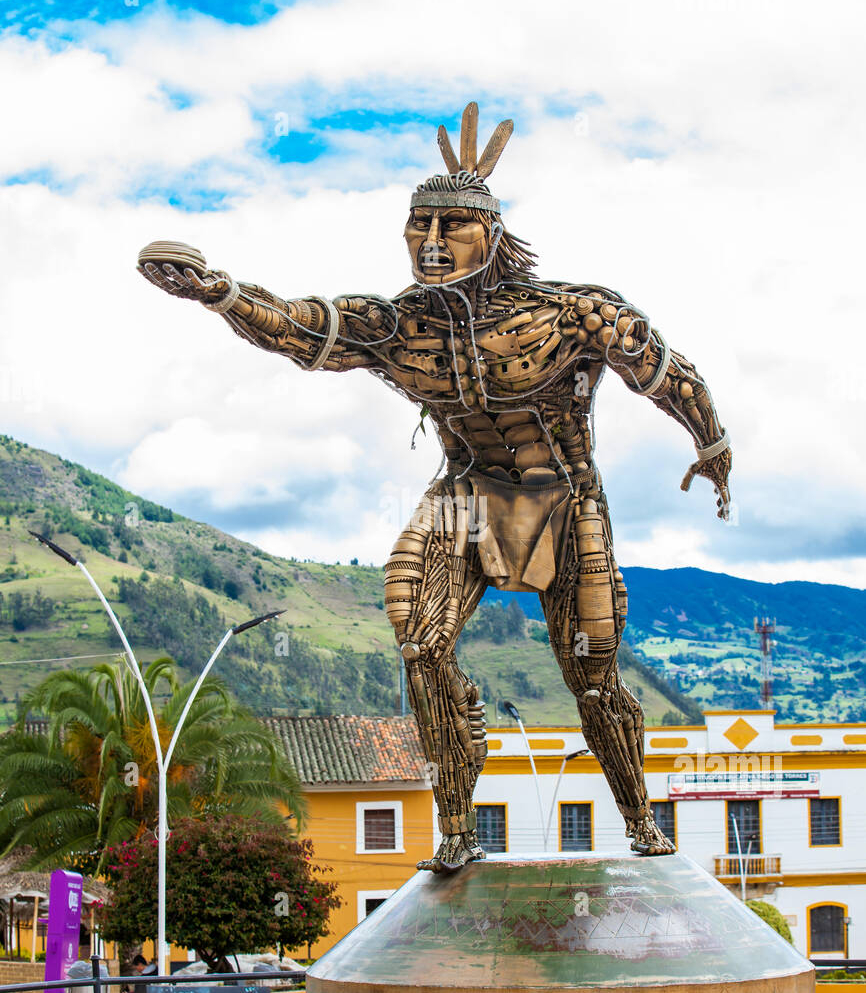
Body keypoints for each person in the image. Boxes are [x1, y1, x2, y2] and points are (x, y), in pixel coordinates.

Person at [139, 103, 731, 873]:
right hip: (466, 495)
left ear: (493, 235)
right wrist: (218, 292)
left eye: (453, 225)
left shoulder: (571, 314)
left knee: (591, 678)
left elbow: (668, 372)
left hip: (565, 499)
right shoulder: (398, 325)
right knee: (418, 638)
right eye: (420, 225)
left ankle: (642, 821)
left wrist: (711, 442)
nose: (432, 240)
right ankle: (456, 826)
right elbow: (298, 327)